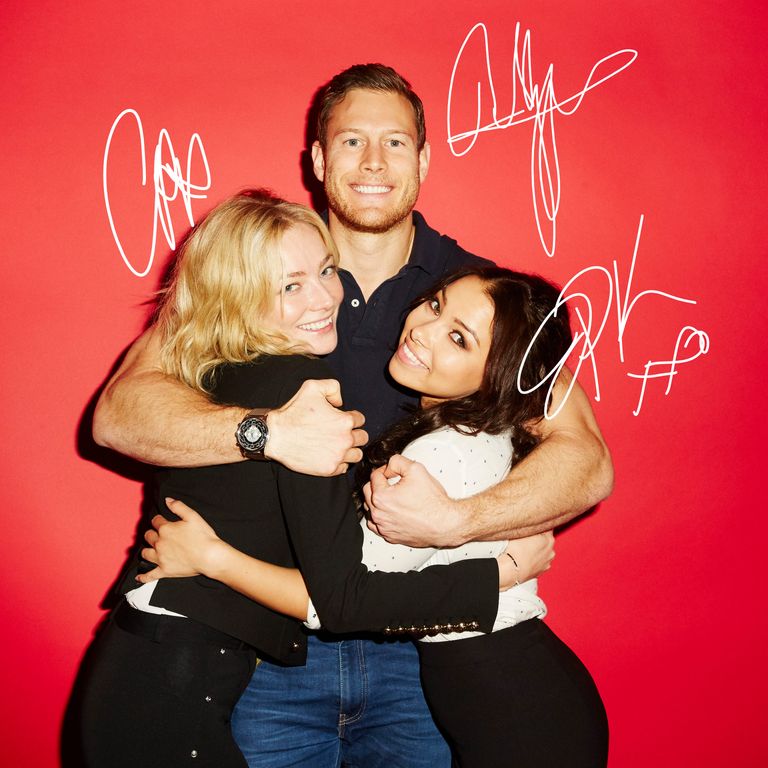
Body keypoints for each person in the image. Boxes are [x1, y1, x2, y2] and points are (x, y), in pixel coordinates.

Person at [92, 64, 613, 767]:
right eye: (351, 141)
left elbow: (587, 460)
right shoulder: (263, 274)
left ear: (423, 161)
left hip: (420, 658)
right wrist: (269, 433)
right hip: (269, 647)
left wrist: (461, 523)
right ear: (317, 159)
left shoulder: (473, 295)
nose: (373, 162)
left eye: (395, 142)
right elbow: (119, 414)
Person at [78, 191, 534, 768]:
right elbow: (344, 600)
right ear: (238, 296)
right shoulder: (302, 391)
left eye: (325, 271)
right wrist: (497, 577)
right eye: (290, 286)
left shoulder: (212, 370)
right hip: (174, 682)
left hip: (155, 666)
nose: (324, 298)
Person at [139, 266, 609, 768]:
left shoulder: (441, 455)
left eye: (458, 338)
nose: (424, 331)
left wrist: (211, 558)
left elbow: (341, 601)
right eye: (435, 305)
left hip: (519, 711)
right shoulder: (477, 435)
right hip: (515, 694)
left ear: (498, 374)